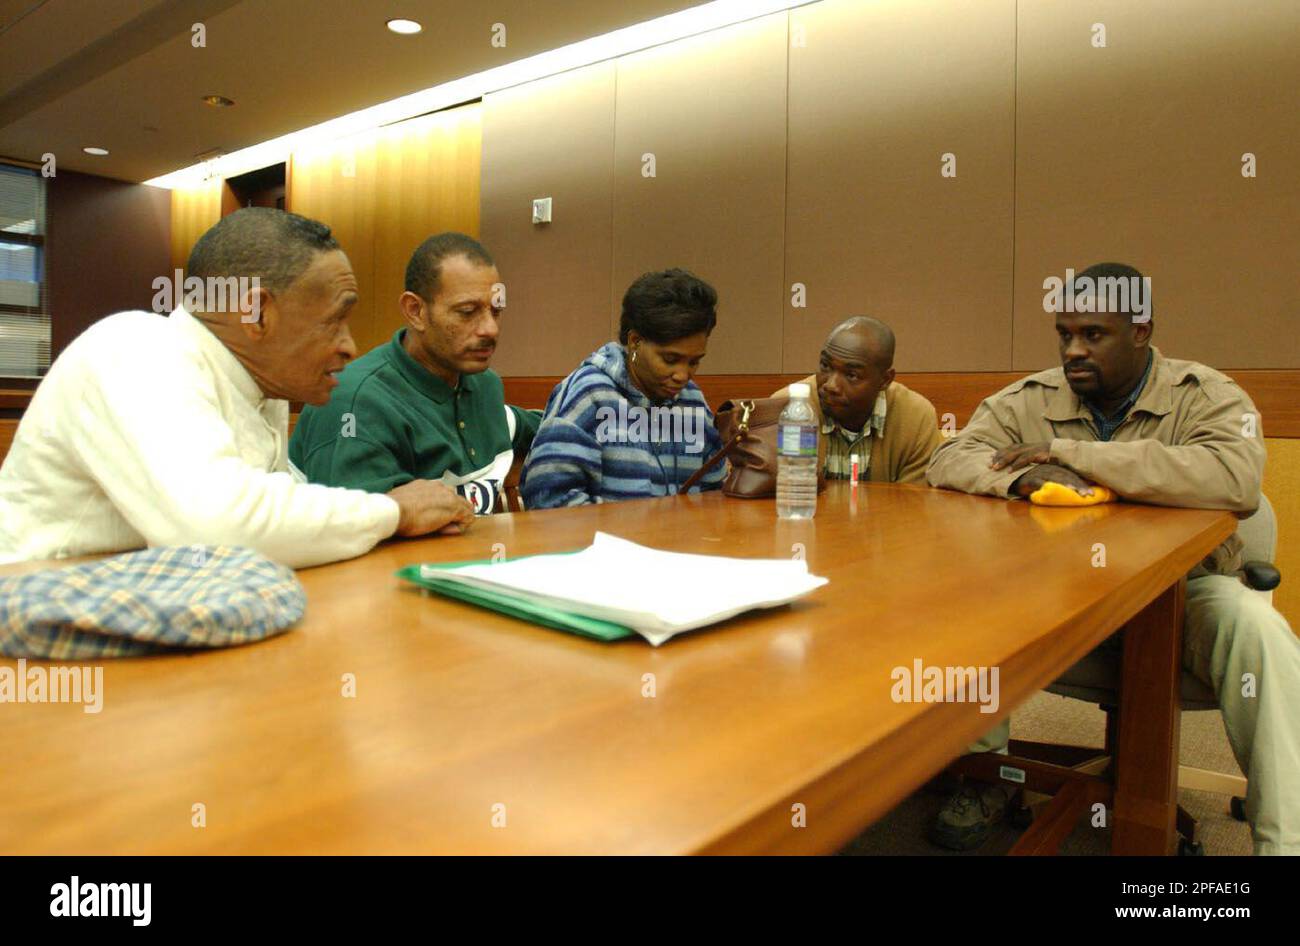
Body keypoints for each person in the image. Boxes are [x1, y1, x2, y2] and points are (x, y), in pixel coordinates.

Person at [926, 262, 1299, 855]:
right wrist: (1019, 481)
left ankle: (1285, 842)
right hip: (1059, 598)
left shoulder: (1204, 395)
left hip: (1182, 597)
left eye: (1093, 335)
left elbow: (1235, 478)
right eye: (1064, 334)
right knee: (966, 594)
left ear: (1141, 332)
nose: (1074, 350)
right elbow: (950, 460)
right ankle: (984, 777)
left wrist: (1071, 453)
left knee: (1260, 631)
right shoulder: (1031, 398)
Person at [0, 208, 474, 569]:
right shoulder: (135, 347)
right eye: (336, 320)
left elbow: (274, 529)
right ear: (256, 313)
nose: (350, 346)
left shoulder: (256, 385)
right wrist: (391, 512)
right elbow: (215, 529)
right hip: (35, 630)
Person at [290, 233, 539, 514]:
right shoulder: (355, 403)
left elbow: (541, 424)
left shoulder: (483, 385)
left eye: (496, 311)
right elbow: (351, 536)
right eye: (468, 312)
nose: (490, 329)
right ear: (415, 311)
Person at [520, 268, 725, 507]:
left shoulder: (692, 401)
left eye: (694, 362)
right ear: (635, 341)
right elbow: (548, 500)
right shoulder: (590, 395)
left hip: (680, 543)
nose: (682, 375)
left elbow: (715, 496)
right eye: (670, 359)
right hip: (601, 543)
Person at [772, 316, 942, 483]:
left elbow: (915, 503)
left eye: (851, 375)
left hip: (886, 512)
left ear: (884, 380)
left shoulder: (916, 418)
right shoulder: (786, 409)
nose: (831, 385)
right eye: (825, 366)